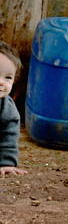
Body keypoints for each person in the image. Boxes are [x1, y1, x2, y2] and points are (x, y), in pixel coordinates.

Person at [0, 42, 23, 175]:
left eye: (8, 77)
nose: (2, 82)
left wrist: (6, 162)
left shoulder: (7, 109)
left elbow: (9, 135)